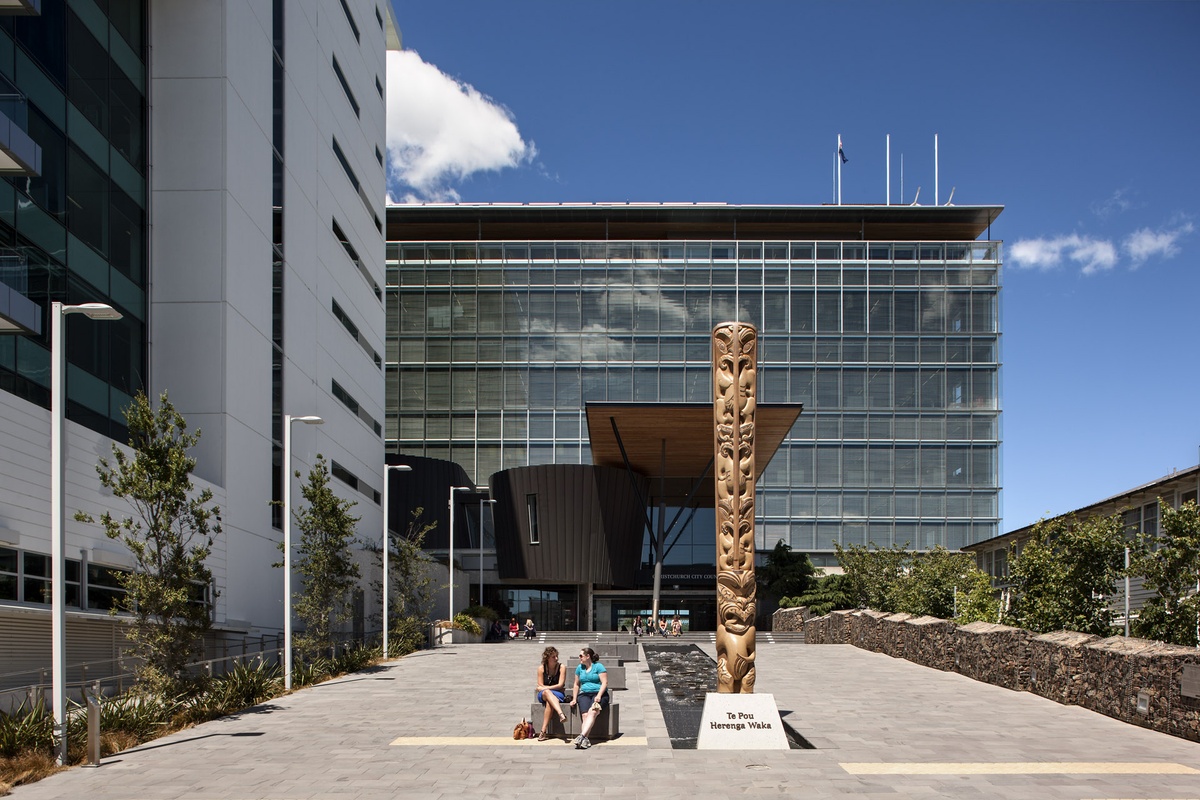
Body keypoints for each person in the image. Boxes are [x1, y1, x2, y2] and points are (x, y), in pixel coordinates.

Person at [568, 646, 608, 750]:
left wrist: (599, 695)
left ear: (588, 656)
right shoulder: (579, 668)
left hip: (598, 693)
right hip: (584, 694)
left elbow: (604, 682)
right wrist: (574, 699)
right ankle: (584, 740)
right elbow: (576, 684)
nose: (579, 658)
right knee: (585, 715)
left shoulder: (598, 666)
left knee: (593, 711)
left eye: (581, 656)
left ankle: (581, 736)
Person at [534, 646, 567, 741]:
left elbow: (560, 684)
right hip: (544, 694)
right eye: (553, 657)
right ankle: (561, 714)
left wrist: (544, 688)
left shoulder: (562, 667)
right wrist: (546, 689)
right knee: (547, 693)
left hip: (557, 694)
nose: (556, 658)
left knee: (549, 703)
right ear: (547, 658)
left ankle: (543, 731)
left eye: (557, 656)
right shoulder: (541, 668)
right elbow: (540, 684)